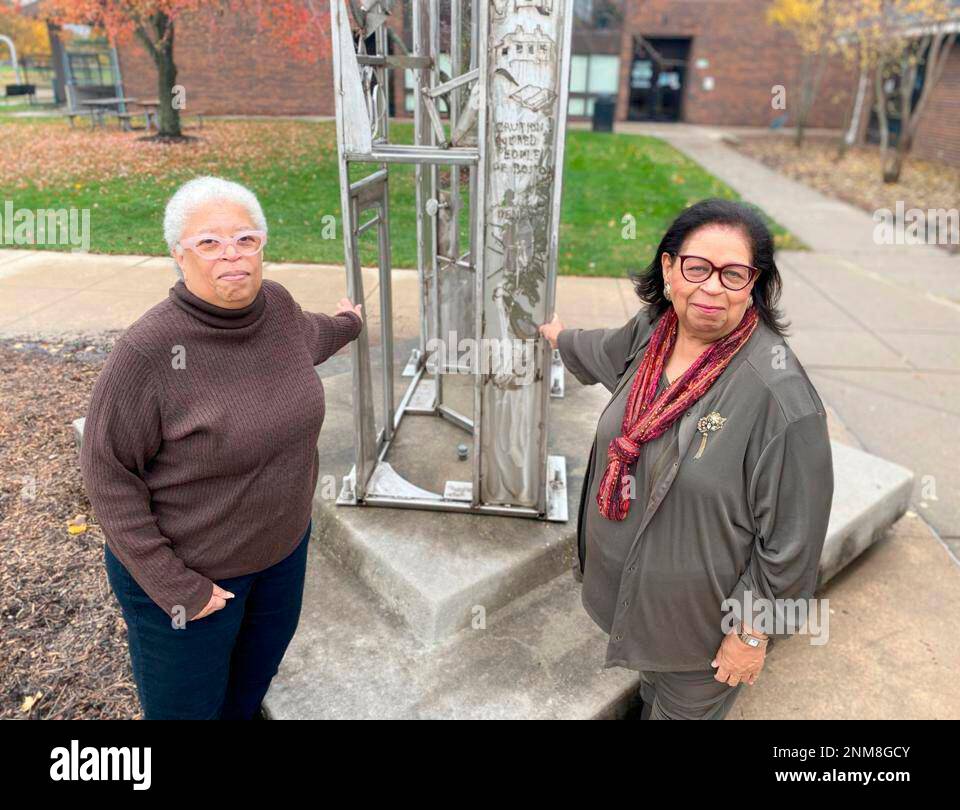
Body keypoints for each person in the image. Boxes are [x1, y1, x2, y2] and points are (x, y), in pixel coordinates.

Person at [80, 176, 363, 719]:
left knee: (251, 686)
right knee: (187, 711)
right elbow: (107, 473)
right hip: (192, 578)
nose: (231, 254)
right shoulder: (149, 351)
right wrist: (175, 585)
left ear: (262, 247)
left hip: (281, 558)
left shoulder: (276, 308)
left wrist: (349, 322)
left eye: (246, 239)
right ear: (177, 256)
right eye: (208, 242)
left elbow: (311, 337)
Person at [539, 199, 833, 720]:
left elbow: (792, 541)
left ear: (755, 284)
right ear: (670, 268)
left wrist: (750, 634)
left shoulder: (779, 395)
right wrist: (560, 339)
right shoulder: (656, 331)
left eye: (733, 273)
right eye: (697, 267)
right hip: (633, 604)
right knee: (651, 694)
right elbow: (603, 351)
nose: (712, 287)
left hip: (701, 637)